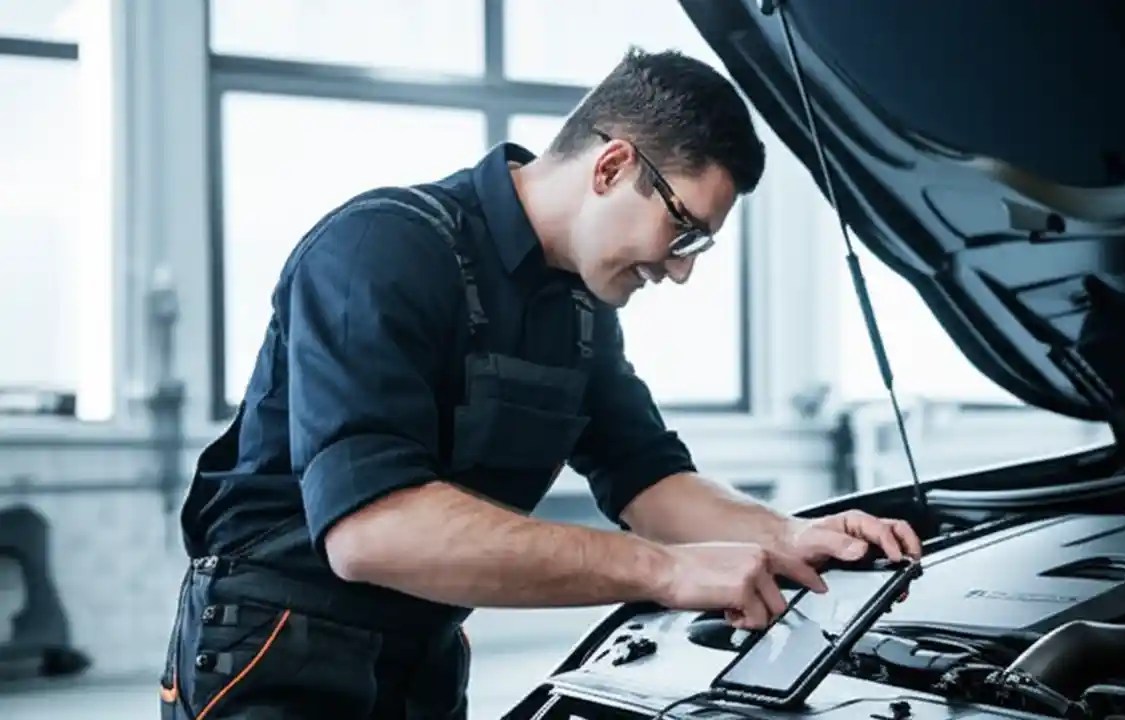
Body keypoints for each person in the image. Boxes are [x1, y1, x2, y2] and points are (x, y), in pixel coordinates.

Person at [160, 47, 922, 719]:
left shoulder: (582, 310)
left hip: (421, 653)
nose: (683, 268)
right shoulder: (381, 248)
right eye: (684, 229)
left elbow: (648, 478)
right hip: (278, 647)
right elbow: (372, 531)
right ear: (613, 165)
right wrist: (666, 570)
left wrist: (789, 536)